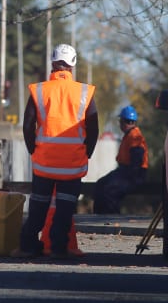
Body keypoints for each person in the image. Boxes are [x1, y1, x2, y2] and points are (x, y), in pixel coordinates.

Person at [13, 44, 99, 259]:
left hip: (44, 162)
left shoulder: (39, 90)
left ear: (52, 63)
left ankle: (28, 246)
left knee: (38, 207)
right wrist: (86, 152)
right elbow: (94, 128)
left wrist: (34, 150)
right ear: (73, 64)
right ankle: (59, 249)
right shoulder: (85, 92)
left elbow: (27, 125)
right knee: (65, 208)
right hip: (72, 163)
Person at [93, 105, 150, 214]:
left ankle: (113, 219)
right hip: (124, 171)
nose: (119, 124)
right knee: (100, 185)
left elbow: (136, 161)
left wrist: (129, 179)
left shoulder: (134, 136)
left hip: (133, 174)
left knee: (110, 191)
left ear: (125, 122)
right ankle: (98, 217)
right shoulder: (129, 135)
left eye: (121, 121)